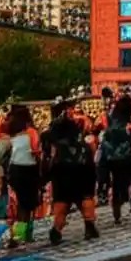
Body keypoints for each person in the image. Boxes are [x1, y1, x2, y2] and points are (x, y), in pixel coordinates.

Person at [43, 99, 100, 245]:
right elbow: (89, 148)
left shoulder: (52, 134)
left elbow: (49, 156)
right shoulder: (79, 130)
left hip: (62, 169)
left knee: (62, 200)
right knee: (85, 195)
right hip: (82, 166)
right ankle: (89, 225)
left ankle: (57, 228)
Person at [99, 95, 131, 223]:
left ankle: (117, 210)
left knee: (117, 184)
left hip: (114, 159)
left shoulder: (111, 124)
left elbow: (105, 143)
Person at [4, 105, 41, 247]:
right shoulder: (31, 132)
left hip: (15, 169)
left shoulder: (13, 134)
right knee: (29, 204)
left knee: (21, 203)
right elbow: (35, 150)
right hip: (28, 169)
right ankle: (25, 234)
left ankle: (19, 234)